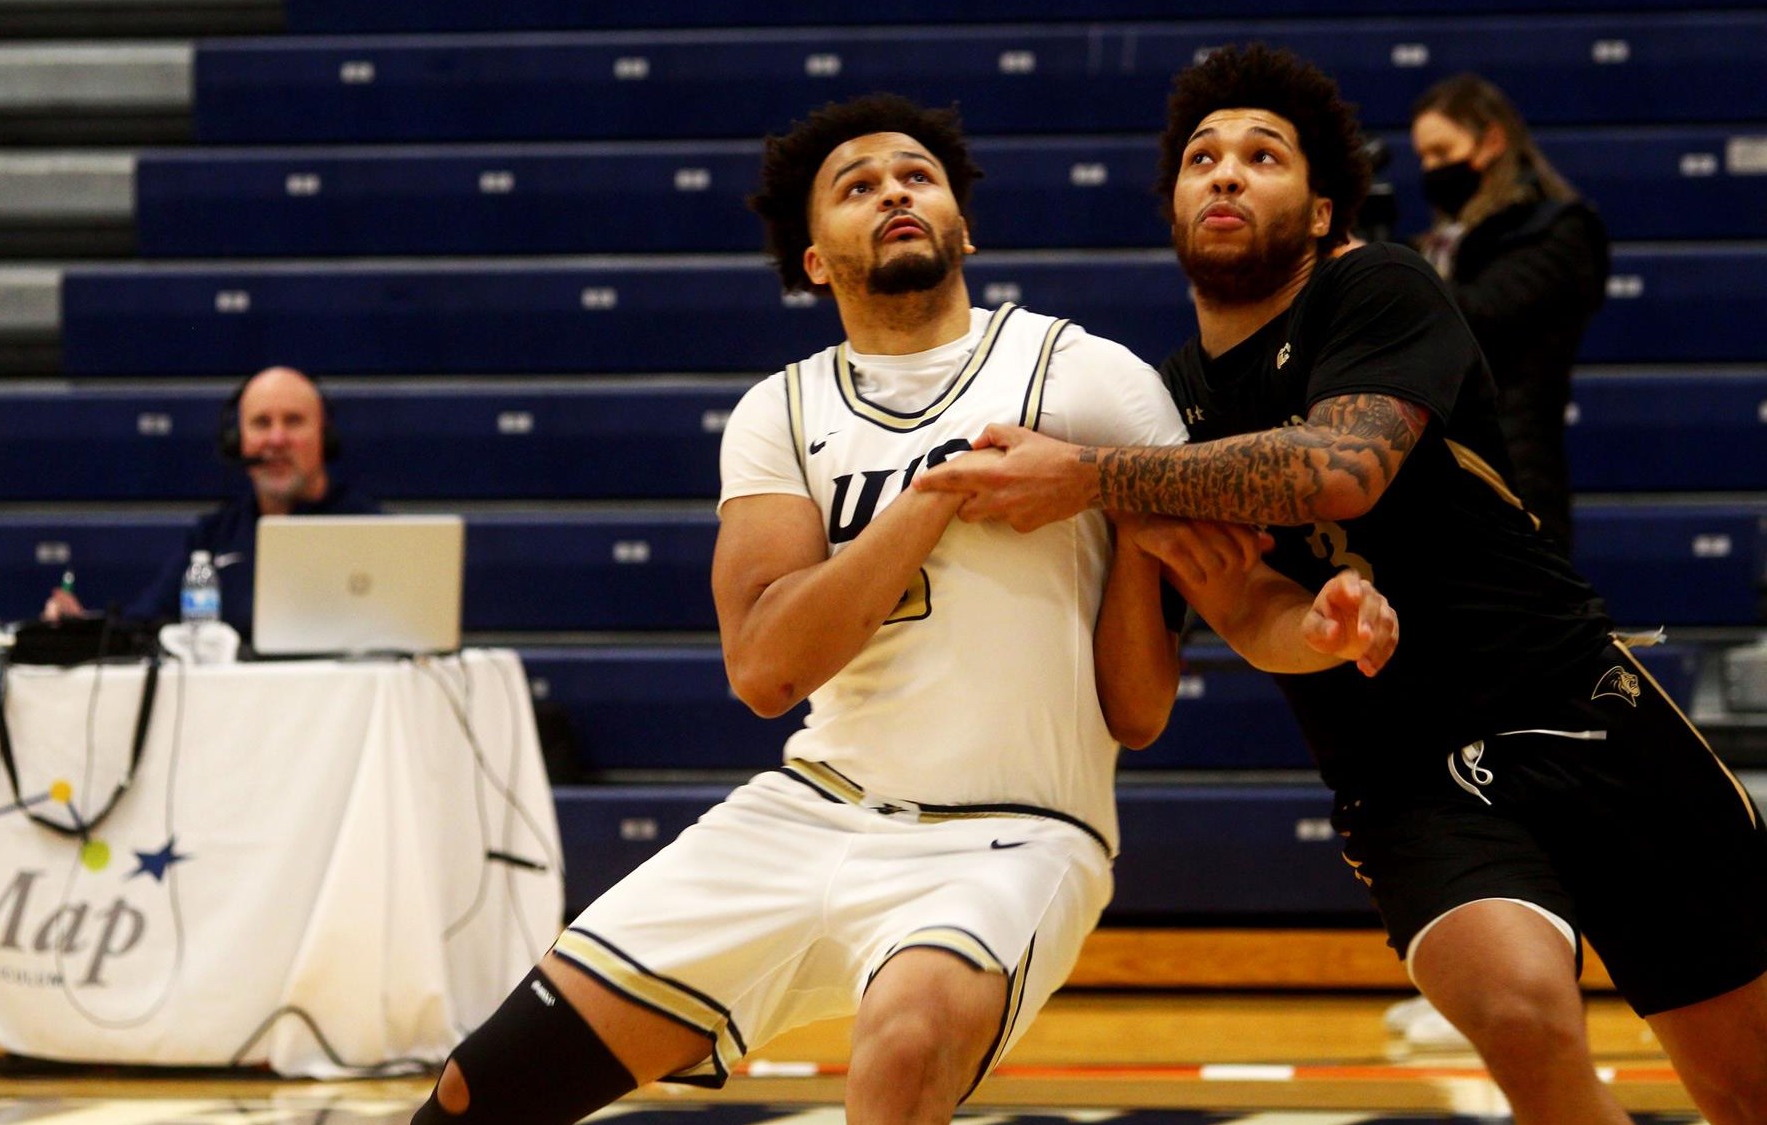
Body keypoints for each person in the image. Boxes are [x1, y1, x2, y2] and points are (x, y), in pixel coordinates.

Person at [409, 93, 1396, 1125]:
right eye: (857, 186)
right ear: (813, 261)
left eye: (916, 177)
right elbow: (763, 671)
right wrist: (930, 497)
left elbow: (1167, 677)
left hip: (1015, 832)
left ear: (963, 228)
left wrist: (1314, 629)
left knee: (907, 1042)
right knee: (478, 1091)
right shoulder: (776, 414)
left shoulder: (1086, 378)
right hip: (811, 810)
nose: (893, 192)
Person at [917, 44, 1767, 1125]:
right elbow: (1226, 633)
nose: (1224, 172)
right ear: (1173, 203)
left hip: (1574, 707)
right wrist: (1314, 629)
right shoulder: (1161, 403)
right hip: (1403, 774)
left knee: (1745, 1086)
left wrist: (1084, 477)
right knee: (1517, 1011)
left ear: (1319, 212)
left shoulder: (1379, 284)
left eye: (1260, 156)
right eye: (1200, 157)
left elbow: (1341, 469)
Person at [1411, 73, 1608, 549]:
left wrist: (1389, 275)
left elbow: (1481, 317)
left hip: (1515, 474)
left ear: (1492, 141)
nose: (1431, 169)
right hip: (1430, 474)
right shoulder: (1436, 246)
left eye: (1441, 152)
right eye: (1423, 158)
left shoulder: (1557, 231)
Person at [41, 365, 378, 639]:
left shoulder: (373, 533)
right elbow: (143, 628)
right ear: (237, 442)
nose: (276, 440)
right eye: (261, 423)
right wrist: (81, 629)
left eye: (293, 421)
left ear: (325, 436)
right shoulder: (213, 538)